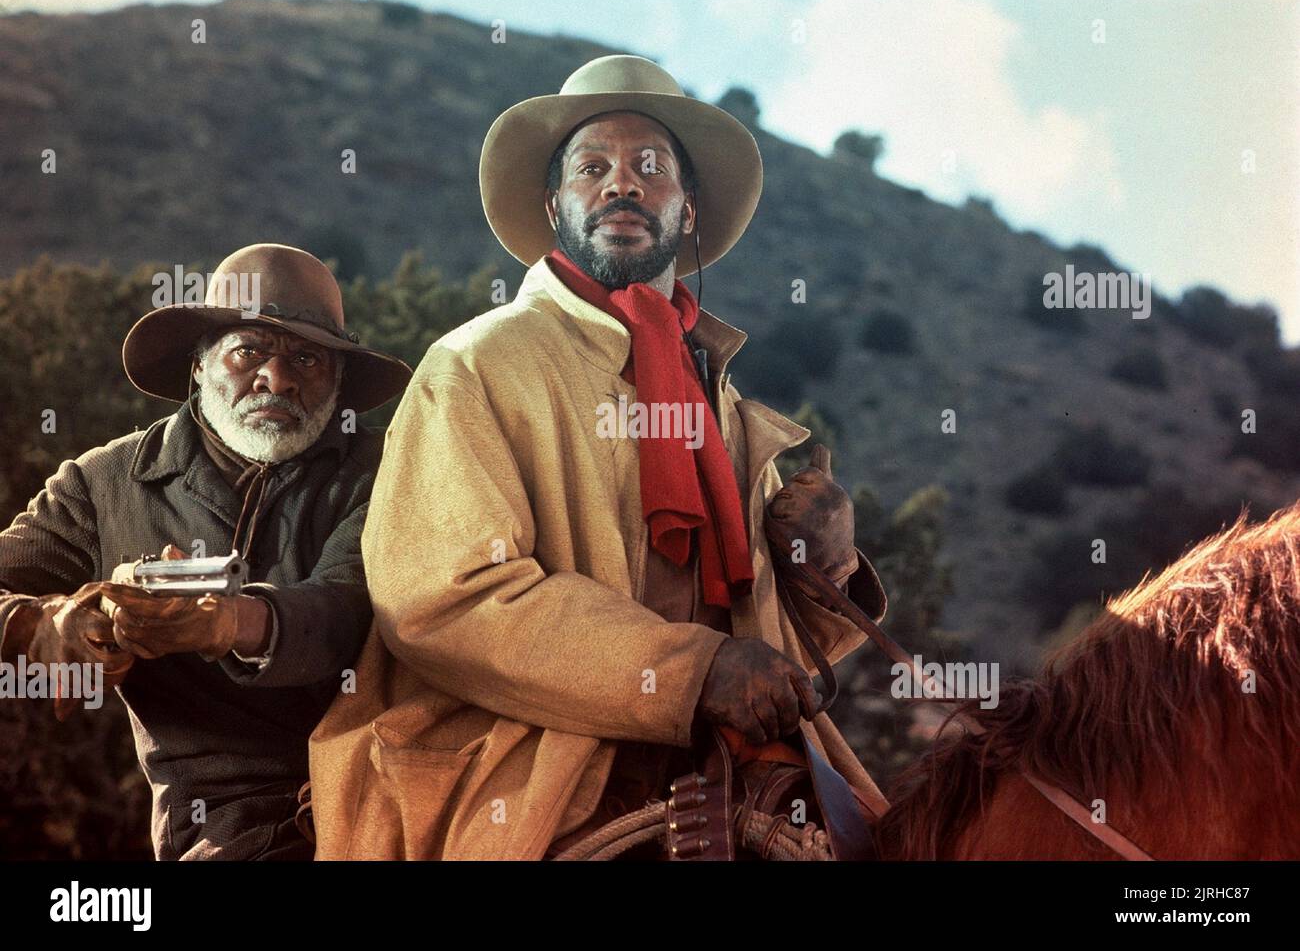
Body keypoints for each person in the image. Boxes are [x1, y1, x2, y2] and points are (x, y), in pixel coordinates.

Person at [308, 55, 889, 860]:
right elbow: (444, 599)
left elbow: (760, 647)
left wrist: (825, 568)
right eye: (594, 168)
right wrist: (694, 671)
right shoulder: (477, 364)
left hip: (720, 756)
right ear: (557, 206)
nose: (624, 185)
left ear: (687, 213)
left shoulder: (714, 391)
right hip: (534, 765)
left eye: (652, 168)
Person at [0, 243, 411, 859]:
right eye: (250, 350)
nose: (279, 377)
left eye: (307, 357)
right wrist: (39, 624)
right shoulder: (102, 483)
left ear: (338, 378)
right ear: (199, 363)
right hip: (224, 821)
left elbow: (344, 610)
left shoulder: (385, 469)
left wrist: (229, 621)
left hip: (390, 788)